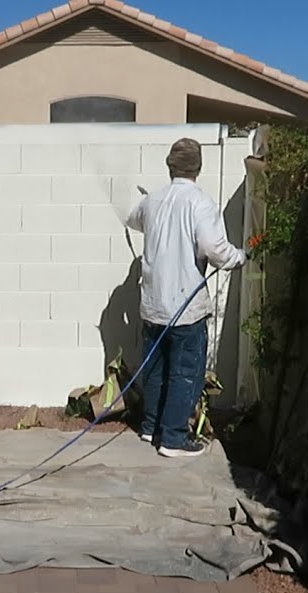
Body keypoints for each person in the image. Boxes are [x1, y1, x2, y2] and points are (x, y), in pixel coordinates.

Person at [124, 138, 247, 458]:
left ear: (169, 166)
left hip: (152, 305)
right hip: (185, 309)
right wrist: (239, 257)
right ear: (199, 167)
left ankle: (151, 427)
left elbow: (132, 219)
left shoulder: (151, 201)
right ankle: (174, 438)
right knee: (184, 372)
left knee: (155, 368)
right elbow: (214, 249)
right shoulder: (200, 203)